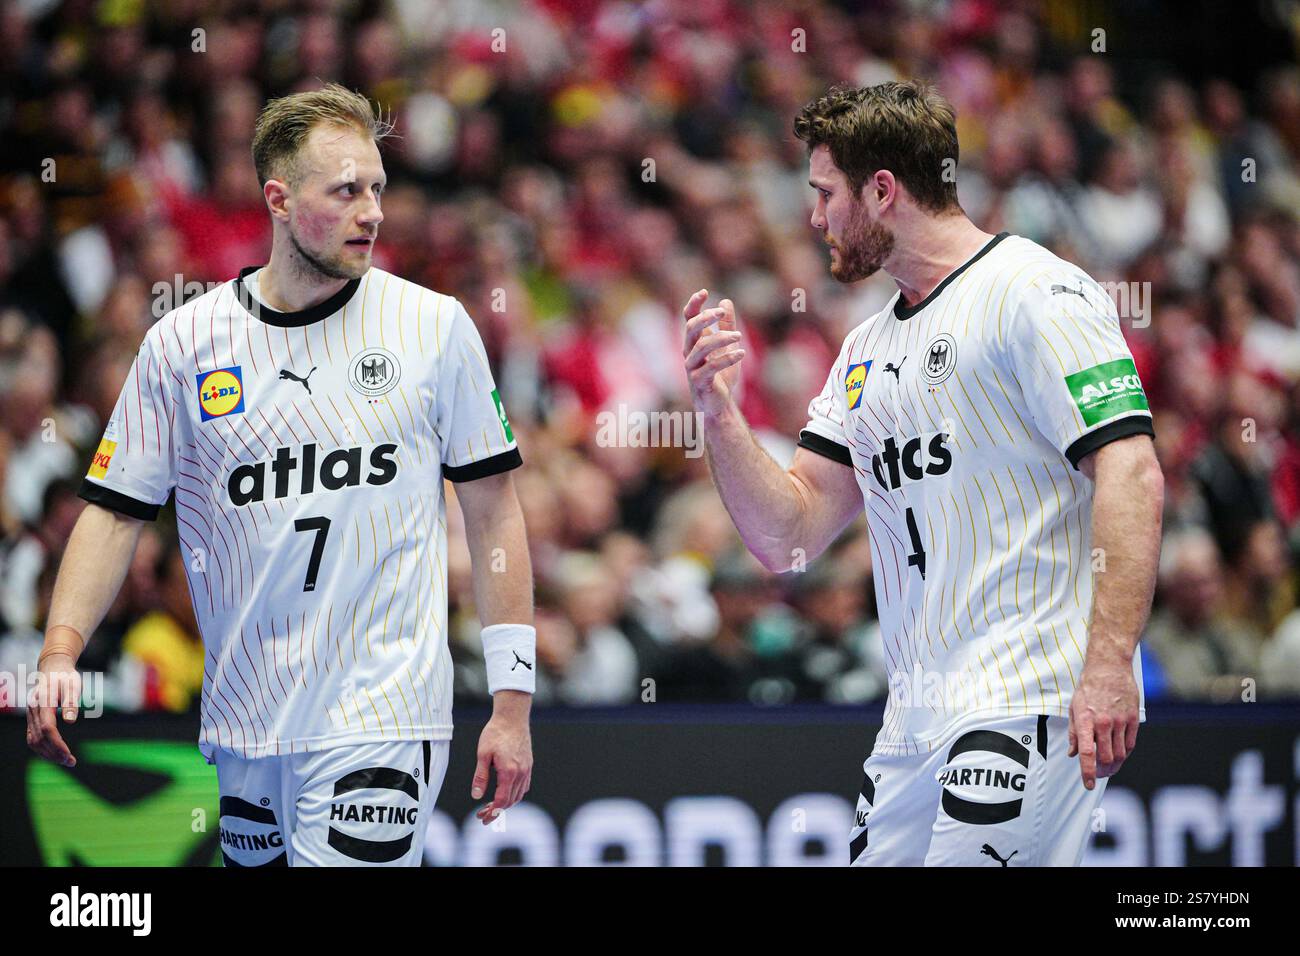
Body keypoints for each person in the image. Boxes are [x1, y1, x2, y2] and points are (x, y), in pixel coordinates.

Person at [25, 84, 536, 867]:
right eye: (346, 192)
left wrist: (512, 699)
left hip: (383, 711)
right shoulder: (183, 345)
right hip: (244, 723)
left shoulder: (432, 328)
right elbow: (116, 510)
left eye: (377, 189)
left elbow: (494, 513)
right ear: (280, 200)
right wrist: (61, 649)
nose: (373, 211)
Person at [683, 81, 1164, 866]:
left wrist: (1112, 662)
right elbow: (787, 535)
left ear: (882, 190)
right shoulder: (865, 350)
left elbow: (1132, 471)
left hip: (1025, 694)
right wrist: (719, 416)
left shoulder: (1036, 292)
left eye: (825, 193)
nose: (814, 217)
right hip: (913, 724)